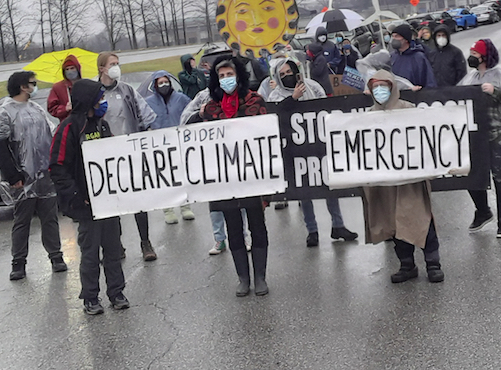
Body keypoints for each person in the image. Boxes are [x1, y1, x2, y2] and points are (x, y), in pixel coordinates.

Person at [261, 55, 359, 246]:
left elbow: (326, 109)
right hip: (294, 150)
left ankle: (338, 225)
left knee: (330, 186)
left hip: (319, 145)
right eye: (283, 74)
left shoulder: (313, 87)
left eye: (289, 72)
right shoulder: (275, 95)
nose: (287, 76)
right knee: (304, 191)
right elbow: (275, 116)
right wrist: (293, 99)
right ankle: (312, 230)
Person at [192, 55, 270, 296]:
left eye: (230, 74)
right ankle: (243, 279)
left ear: (239, 75)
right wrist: (200, 115)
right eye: (222, 76)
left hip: (252, 176)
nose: (226, 79)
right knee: (233, 227)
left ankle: (260, 277)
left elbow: (267, 135)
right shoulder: (211, 107)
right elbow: (190, 133)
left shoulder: (255, 101)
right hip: (224, 180)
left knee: (257, 226)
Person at [49, 79, 128, 315]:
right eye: (99, 99)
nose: (103, 103)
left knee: (113, 250)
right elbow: (57, 166)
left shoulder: (102, 126)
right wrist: (76, 195)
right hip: (86, 205)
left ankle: (117, 292)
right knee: (90, 252)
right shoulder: (69, 129)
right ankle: (90, 297)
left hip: (108, 201)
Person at [362, 70, 444, 283]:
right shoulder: (367, 115)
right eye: (375, 87)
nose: (379, 91)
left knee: (420, 220)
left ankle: (433, 264)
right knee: (394, 224)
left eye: (384, 86)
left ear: (392, 87)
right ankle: (406, 265)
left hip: (411, 182)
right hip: (386, 184)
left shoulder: (409, 110)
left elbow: (426, 139)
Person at [0, 71, 66, 280]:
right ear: (23, 86)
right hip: (22, 179)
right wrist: (13, 175)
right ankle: (18, 263)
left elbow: (49, 136)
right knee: (22, 220)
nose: (35, 86)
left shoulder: (36, 109)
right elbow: (0, 147)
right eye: (32, 83)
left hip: (44, 174)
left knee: (50, 217)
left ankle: (56, 256)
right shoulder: (4, 113)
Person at [97, 52, 159, 261]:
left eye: (117, 63)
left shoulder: (128, 91)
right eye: (112, 64)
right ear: (101, 68)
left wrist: (149, 135)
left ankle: (145, 242)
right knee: (112, 201)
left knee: (138, 198)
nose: (116, 67)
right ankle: (116, 245)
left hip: (130, 151)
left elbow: (145, 115)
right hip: (105, 155)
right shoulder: (94, 93)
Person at [460, 38, 501, 238]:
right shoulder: (469, 79)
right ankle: (483, 211)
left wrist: (495, 92)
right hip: (477, 138)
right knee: (472, 177)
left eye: (475, 54)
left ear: (485, 56)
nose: (472, 57)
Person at [143, 70, 195, 224]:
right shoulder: (148, 102)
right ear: (155, 85)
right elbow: (143, 121)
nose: (164, 85)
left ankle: (185, 207)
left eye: (166, 82)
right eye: (160, 83)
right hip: (160, 145)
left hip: (180, 143)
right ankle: (168, 209)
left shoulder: (181, 98)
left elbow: (192, 113)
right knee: (165, 178)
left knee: (182, 176)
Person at [389, 24, 437, 89]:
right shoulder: (392, 56)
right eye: (393, 36)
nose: (394, 39)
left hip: (415, 96)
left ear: (406, 39)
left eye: (397, 36)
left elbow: (429, 80)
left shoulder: (418, 57)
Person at [47, 54, 83, 121]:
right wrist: (65, 109)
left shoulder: (85, 85)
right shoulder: (57, 87)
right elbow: (51, 108)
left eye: (72, 68)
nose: (70, 71)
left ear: (77, 69)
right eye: (67, 69)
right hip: (67, 124)